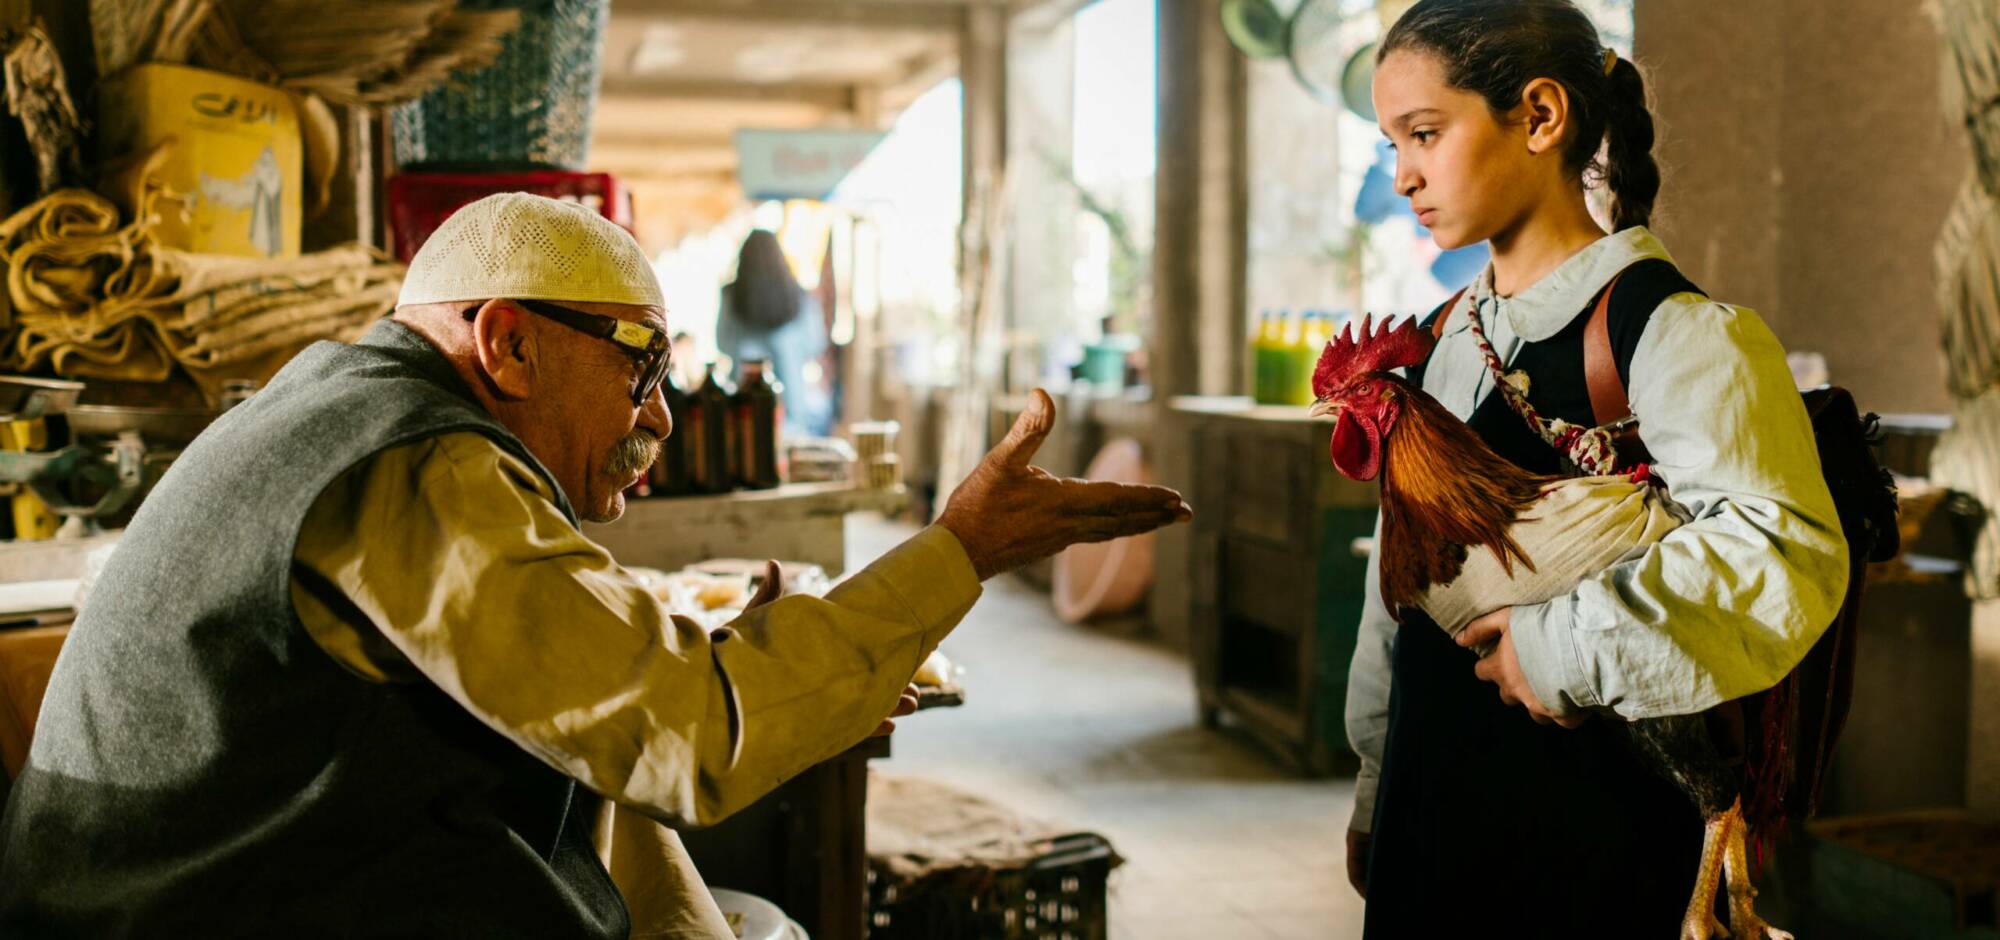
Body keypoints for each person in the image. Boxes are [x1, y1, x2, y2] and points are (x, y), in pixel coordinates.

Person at [0, 193, 1191, 937]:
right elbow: (689, 733)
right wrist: (960, 548)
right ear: (509, 340)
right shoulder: (418, 463)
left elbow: (601, 672)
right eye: (641, 366)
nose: (660, 416)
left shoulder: (329, 403)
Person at [1341, 2, 1848, 936]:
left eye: (1424, 134)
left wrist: (1561, 648)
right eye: (1391, 142)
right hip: (1434, 806)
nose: (1402, 174)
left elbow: (1784, 551)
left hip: (1590, 834)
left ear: (1539, 117)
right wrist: (1378, 774)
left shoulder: (1675, 333)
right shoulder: (1450, 337)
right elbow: (1400, 592)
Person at [717, 229, 831, 436]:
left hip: (744, 409)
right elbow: (815, 344)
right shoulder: (800, 296)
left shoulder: (731, 296)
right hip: (793, 409)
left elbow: (722, 342)